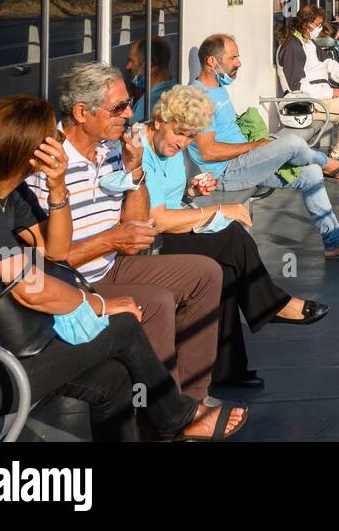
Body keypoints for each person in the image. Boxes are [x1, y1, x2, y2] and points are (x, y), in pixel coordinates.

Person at [0, 95, 246, 441]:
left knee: (112, 379)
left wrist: (58, 186)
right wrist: (99, 305)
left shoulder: (6, 193)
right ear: (32, 153)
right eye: (52, 139)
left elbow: (55, 250)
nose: (59, 144)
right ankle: (175, 417)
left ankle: (171, 416)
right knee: (122, 328)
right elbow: (30, 289)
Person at [26, 62, 224, 401]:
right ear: (82, 112)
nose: (130, 112)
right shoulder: (48, 161)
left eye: (129, 102)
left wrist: (134, 172)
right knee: (157, 300)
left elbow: (135, 224)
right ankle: (163, 414)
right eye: (119, 106)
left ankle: (192, 398)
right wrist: (110, 240)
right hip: (71, 280)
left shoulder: (112, 151)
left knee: (205, 273)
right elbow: (47, 258)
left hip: (110, 263)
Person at [139, 85, 329, 389]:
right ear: (159, 120)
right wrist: (217, 210)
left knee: (224, 271)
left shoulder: (169, 147)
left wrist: (191, 191)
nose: (183, 142)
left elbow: (169, 198)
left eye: (190, 137)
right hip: (147, 241)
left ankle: (227, 369)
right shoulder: (140, 150)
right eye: (179, 133)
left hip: (171, 227)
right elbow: (156, 218)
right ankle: (271, 304)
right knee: (230, 236)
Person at [186, 33, 339, 260]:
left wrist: (257, 145)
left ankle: (334, 242)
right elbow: (208, 151)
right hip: (226, 173)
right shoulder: (197, 96)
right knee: (293, 142)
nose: (239, 63)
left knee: (310, 173)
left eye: (239, 57)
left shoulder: (217, 88)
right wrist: (256, 146)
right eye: (233, 58)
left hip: (247, 162)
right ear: (212, 62)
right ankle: (329, 164)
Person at [278, 6, 339, 164]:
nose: (320, 28)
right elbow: (297, 88)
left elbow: (329, 63)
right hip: (304, 104)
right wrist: (329, 93)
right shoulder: (293, 46)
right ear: (306, 23)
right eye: (318, 24)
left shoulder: (307, 42)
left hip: (318, 97)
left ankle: (338, 153)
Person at [125, 36, 175, 122]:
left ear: (150, 64)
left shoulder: (151, 102)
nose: (127, 67)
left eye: (132, 61)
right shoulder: (174, 88)